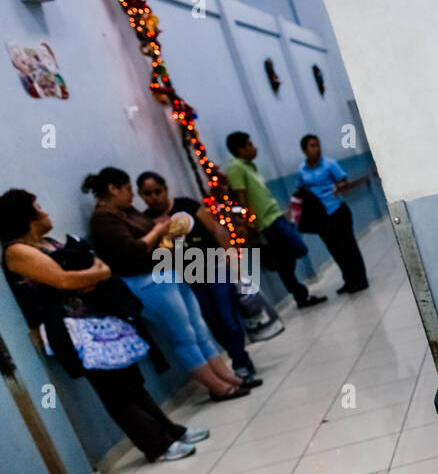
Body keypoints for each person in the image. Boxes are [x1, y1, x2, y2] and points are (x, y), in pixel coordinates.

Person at [1, 188, 206, 462]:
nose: (45, 211)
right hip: (74, 330)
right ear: (26, 215)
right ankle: (155, 445)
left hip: (99, 321)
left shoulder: (47, 243)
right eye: (38, 206)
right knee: (115, 393)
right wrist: (91, 274)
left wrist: (91, 275)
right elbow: (63, 280)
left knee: (132, 383)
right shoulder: (17, 251)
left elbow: (100, 267)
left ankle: (171, 431)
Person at [83, 167, 250, 401]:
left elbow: (153, 235)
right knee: (183, 335)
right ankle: (217, 387)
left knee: (198, 328)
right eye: (129, 189)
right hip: (147, 282)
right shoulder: (103, 220)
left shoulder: (127, 211)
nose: (133, 195)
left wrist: (165, 234)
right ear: (112, 189)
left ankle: (227, 376)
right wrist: (160, 230)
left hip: (168, 272)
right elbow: (134, 249)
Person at [137, 171, 260, 383]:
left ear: (166, 189)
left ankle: (240, 361)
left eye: (157, 191)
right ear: (141, 195)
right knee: (210, 319)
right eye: (147, 194)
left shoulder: (187, 205)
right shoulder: (147, 221)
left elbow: (216, 230)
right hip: (187, 277)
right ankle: (238, 357)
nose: (153, 197)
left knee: (227, 317)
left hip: (214, 266)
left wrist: (234, 261)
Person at [225, 131, 327, 310]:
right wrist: (247, 224)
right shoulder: (236, 168)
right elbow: (241, 199)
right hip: (267, 222)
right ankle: (286, 275)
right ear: (240, 149)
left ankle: (300, 296)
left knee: (285, 261)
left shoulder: (250, 166)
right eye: (249, 145)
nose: (254, 147)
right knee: (298, 248)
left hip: (275, 215)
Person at [297, 134, 369, 294]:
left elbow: (343, 180)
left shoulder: (330, 164)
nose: (317, 149)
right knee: (335, 251)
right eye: (312, 146)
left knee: (349, 247)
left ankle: (361, 280)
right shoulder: (302, 170)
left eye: (318, 145)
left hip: (337, 212)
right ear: (304, 150)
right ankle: (349, 280)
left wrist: (340, 186)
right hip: (320, 218)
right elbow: (302, 190)